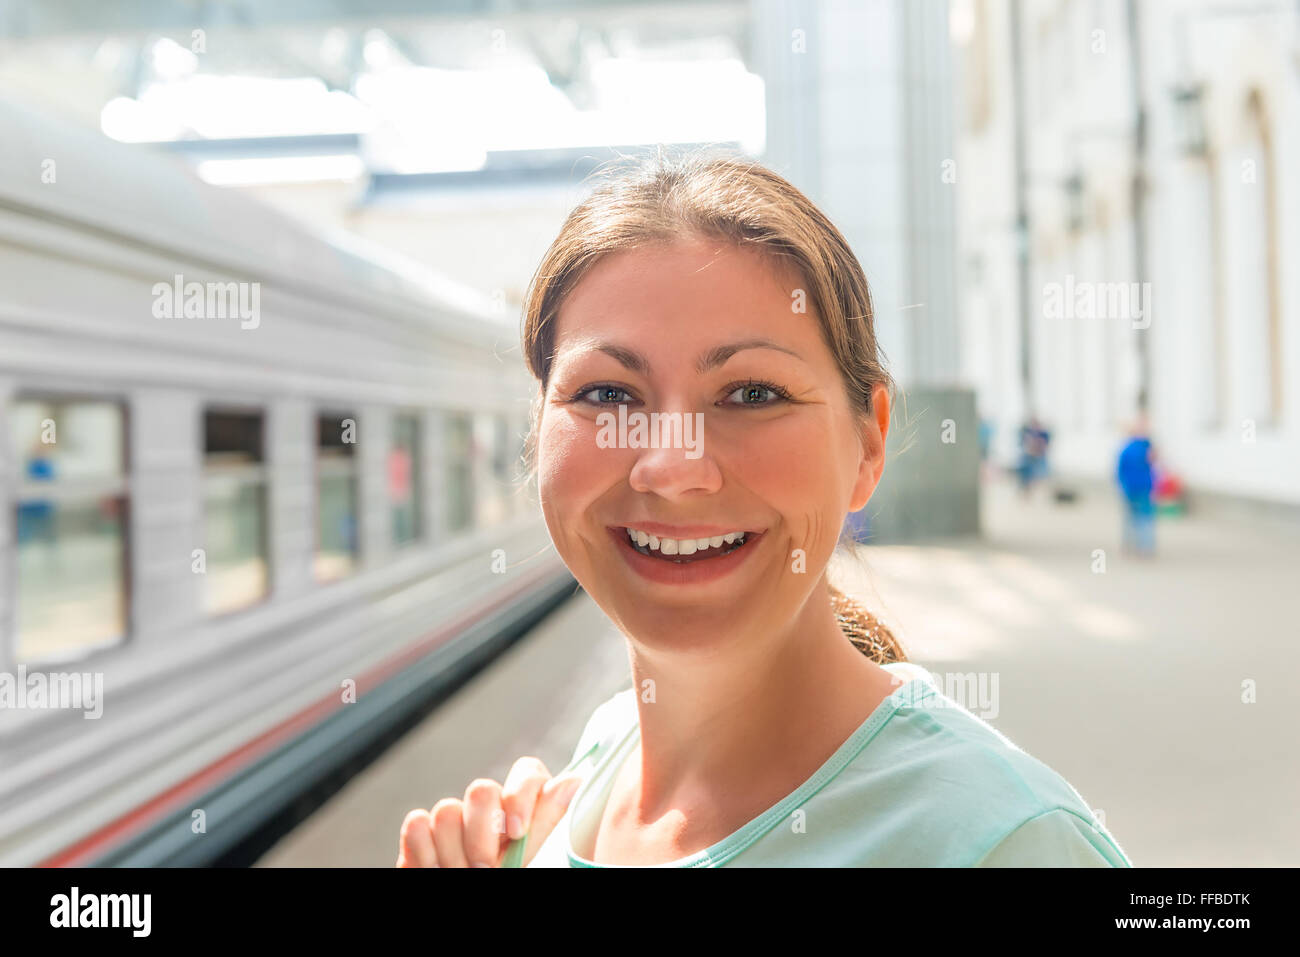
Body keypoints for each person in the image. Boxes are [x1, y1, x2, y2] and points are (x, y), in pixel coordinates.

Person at [397, 150, 1131, 868]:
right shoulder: (599, 757)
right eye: (609, 394)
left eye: (752, 394)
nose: (673, 468)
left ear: (869, 444)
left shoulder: (1008, 841)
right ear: (537, 431)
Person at [1116, 415, 1157, 557]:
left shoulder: (1142, 448)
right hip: (1138, 488)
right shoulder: (1142, 448)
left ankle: (1138, 546)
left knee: (1137, 519)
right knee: (1141, 518)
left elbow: (1120, 470)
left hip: (1139, 488)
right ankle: (1141, 546)